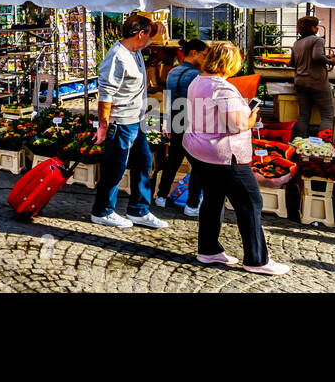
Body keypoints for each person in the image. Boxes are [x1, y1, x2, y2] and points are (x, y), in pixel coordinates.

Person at [185, 41, 289, 275]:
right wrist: (252, 116)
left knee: (213, 199)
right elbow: (237, 125)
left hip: (200, 150)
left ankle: (209, 249)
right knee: (250, 203)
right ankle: (257, 260)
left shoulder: (197, 81)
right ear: (229, 63)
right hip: (224, 154)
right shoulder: (222, 88)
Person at [90, 14, 168, 230]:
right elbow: (105, 97)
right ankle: (102, 211)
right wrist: (104, 127)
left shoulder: (136, 48)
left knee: (143, 163)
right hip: (121, 122)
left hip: (137, 120)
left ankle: (139, 210)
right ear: (139, 34)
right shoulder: (117, 57)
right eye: (148, 35)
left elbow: (152, 34)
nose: (150, 39)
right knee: (115, 167)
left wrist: (156, 26)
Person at [155, 38, 208, 215]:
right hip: (191, 120)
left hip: (175, 118)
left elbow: (170, 99)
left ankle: (161, 196)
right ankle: (192, 205)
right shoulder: (196, 75)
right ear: (194, 53)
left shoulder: (172, 72)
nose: (205, 59)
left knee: (173, 160)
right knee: (199, 165)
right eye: (204, 55)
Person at [292, 16, 335, 137]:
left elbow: (291, 62)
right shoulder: (318, 40)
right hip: (317, 82)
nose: (317, 28)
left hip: (300, 82)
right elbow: (317, 56)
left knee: (303, 115)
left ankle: (301, 144)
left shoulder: (297, 43)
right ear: (312, 28)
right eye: (316, 26)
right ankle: (323, 145)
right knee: (327, 115)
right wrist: (331, 61)